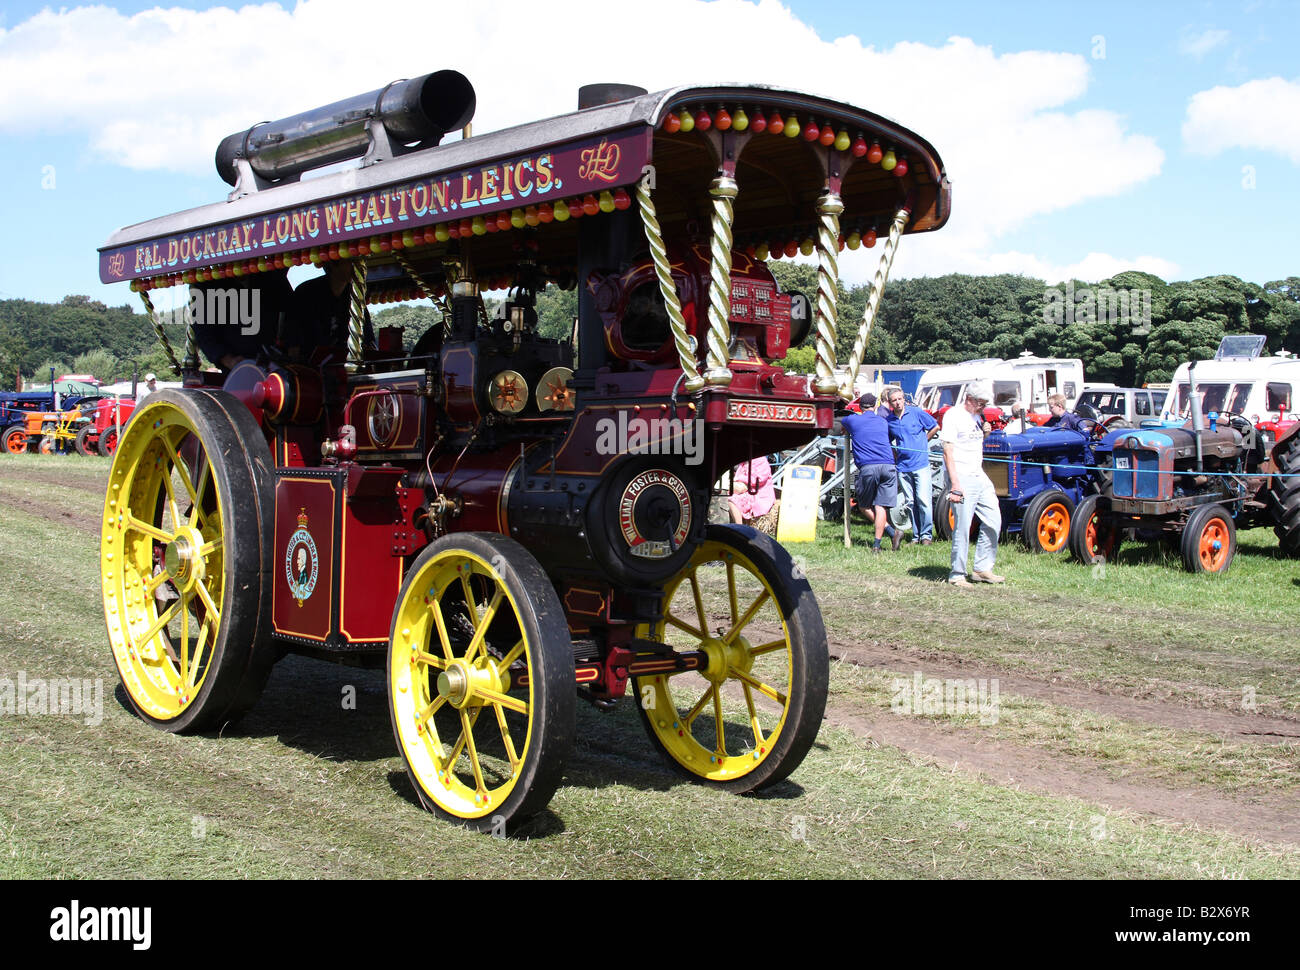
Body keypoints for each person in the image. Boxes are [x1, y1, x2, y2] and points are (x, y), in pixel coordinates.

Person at [941, 379, 1003, 586]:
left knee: (994, 519)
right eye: (981, 403)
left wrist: (985, 433)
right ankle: (957, 574)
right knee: (962, 526)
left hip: (979, 474)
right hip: (962, 475)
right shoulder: (953, 415)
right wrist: (955, 483)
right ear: (969, 399)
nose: (984, 407)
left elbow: (973, 442)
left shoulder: (977, 416)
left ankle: (982, 568)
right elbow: (948, 450)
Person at [841, 392, 903, 552]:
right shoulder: (883, 422)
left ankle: (890, 532)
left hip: (868, 467)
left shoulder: (852, 420)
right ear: (876, 406)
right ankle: (877, 545)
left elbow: (842, 422)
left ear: (860, 407)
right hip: (889, 466)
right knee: (881, 506)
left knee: (864, 506)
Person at [287, 260, 375, 362]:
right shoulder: (305, 292)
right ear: (333, 264)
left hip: (345, 363)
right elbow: (294, 340)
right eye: (351, 262)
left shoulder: (355, 295)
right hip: (311, 364)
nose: (357, 267)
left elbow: (368, 338)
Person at [884, 386, 938, 545]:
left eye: (900, 399)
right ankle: (916, 536)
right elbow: (888, 441)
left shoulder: (916, 413)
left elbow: (934, 426)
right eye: (894, 400)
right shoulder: (890, 421)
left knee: (924, 500)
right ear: (890, 403)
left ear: (904, 399)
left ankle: (926, 535)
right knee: (910, 502)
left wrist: (924, 441)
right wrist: (896, 455)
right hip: (903, 467)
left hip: (920, 464)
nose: (898, 402)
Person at [728, 455, 778, 535]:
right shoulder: (744, 462)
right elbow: (738, 475)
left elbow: (758, 479)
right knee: (728, 494)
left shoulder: (761, 460)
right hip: (747, 489)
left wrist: (740, 481)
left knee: (731, 499)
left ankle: (739, 528)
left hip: (759, 493)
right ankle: (741, 527)